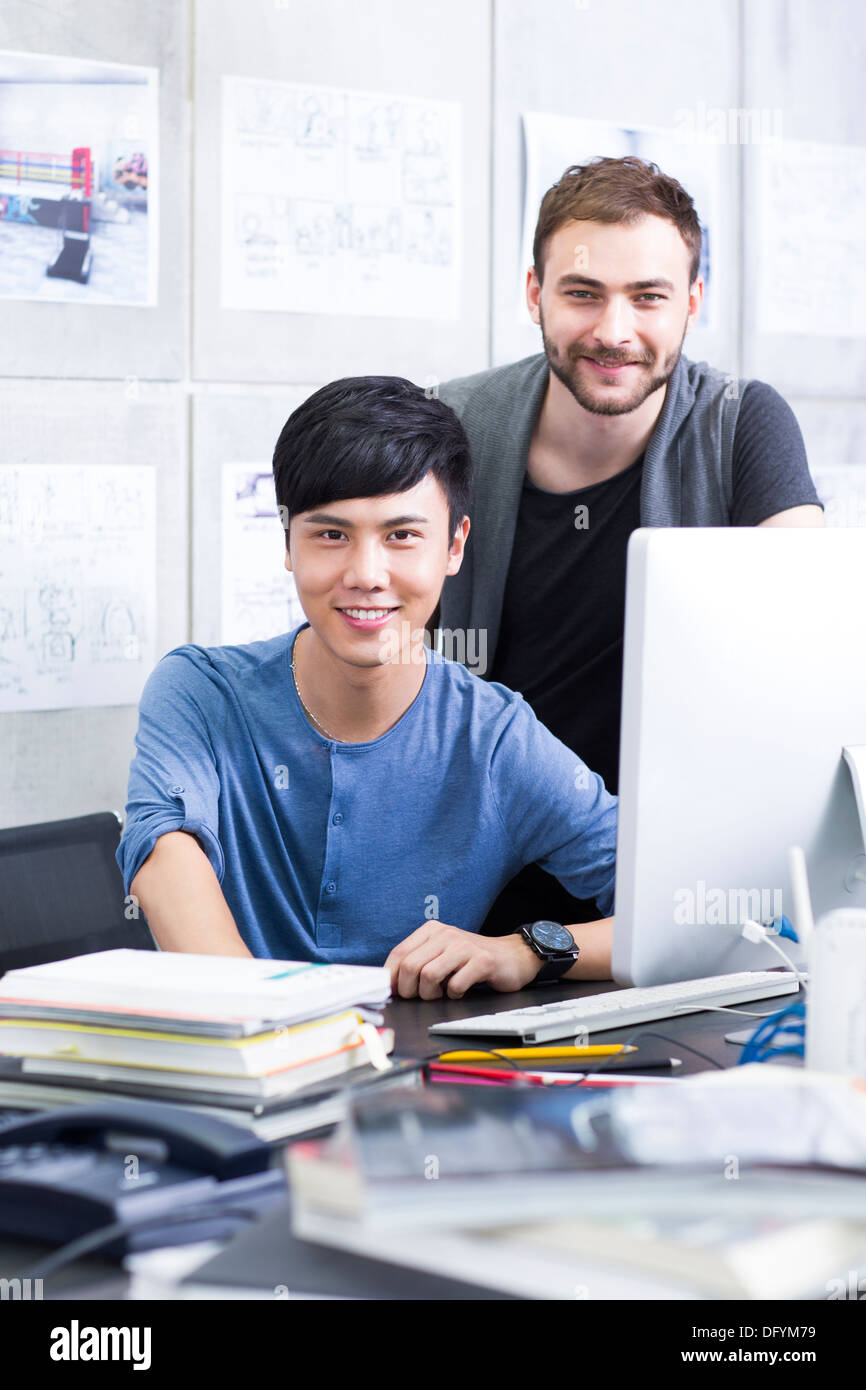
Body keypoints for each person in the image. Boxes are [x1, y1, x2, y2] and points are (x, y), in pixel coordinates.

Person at [117, 376, 617, 998]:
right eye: (331, 535)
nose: (366, 575)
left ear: (455, 547)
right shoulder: (199, 693)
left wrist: (527, 951)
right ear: (288, 545)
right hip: (236, 1062)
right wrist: (280, 1039)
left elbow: (683, 911)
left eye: (402, 536)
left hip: (416, 1084)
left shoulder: (493, 738)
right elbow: (165, 861)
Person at [436, 154, 824, 936]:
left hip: (682, 897)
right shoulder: (453, 425)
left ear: (692, 304)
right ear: (534, 295)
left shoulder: (740, 424)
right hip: (469, 893)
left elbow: (806, 647)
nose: (614, 332)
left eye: (649, 297)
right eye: (583, 294)